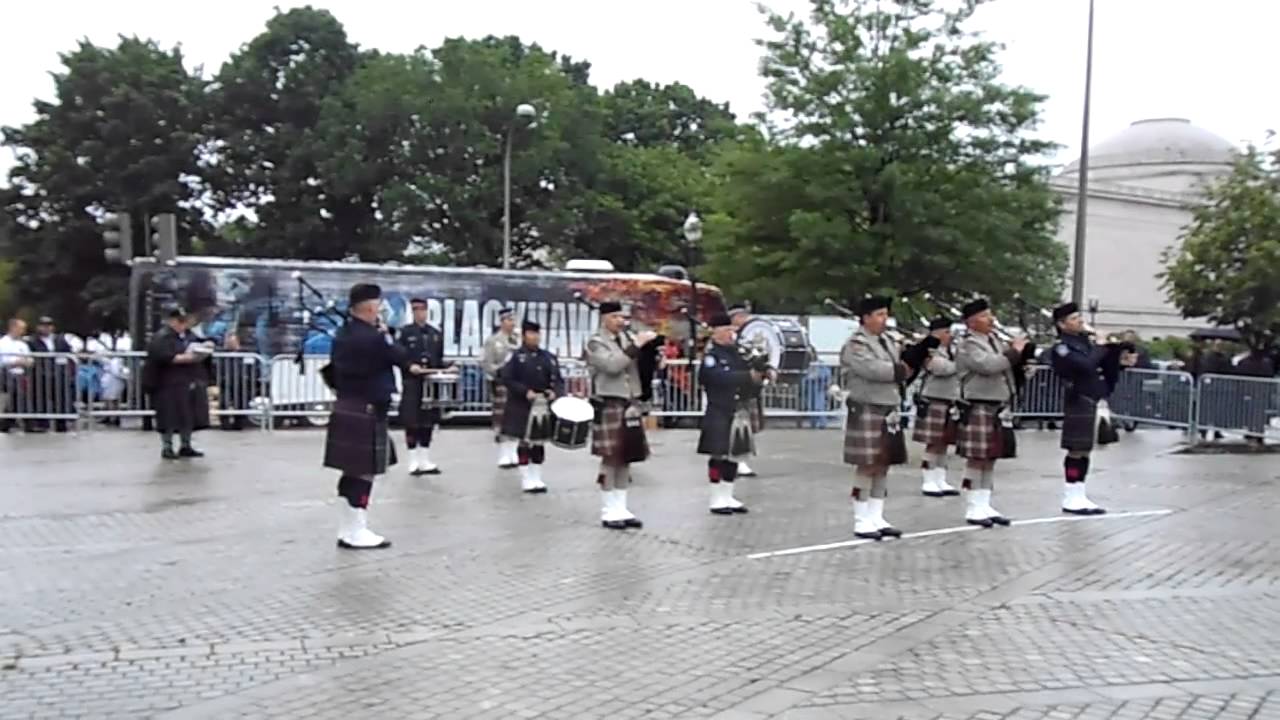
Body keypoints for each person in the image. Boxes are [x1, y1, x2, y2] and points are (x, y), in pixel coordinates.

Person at [323, 283, 427, 550]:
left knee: (351, 472)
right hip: (368, 408)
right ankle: (357, 530)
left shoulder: (343, 334)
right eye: (379, 306)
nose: (381, 311)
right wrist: (386, 336)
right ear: (370, 308)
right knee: (364, 473)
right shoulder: (373, 337)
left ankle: (348, 529)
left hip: (348, 403)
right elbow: (399, 356)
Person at [1050, 302, 1137, 515]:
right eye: (1073, 318)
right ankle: (1071, 494)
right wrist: (1099, 345)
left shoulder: (1085, 343)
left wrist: (1118, 353)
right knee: (1076, 449)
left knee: (1086, 450)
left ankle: (1080, 492)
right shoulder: (1062, 347)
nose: (1080, 320)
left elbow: (1101, 364)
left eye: (1079, 316)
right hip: (1078, 398)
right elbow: (1086, 366)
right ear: (1062, 324)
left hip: (1093, 398)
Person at [954, 299, 1033, 527]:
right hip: (978, 403)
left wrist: (1022, 365)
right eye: (985, 315)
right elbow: (989, 366)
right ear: (971, 321)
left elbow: (1005, 366)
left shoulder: (994, 340)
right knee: (976, 459)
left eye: (990, 314)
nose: (991, 319)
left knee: (990, 458)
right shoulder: (969, 344)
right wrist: (1014, 352)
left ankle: (984, 503)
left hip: (997, 404)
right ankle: (972, 506)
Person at [841, 296, 909, 539]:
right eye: (879, 314)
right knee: (867, 464)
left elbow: (901, 365)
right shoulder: (857, 344)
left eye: (885, 314)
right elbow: (873, 370)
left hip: (888, 406)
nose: (884, 319)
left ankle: (877, 516)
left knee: (883, 463)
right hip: (867, 405)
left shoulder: (888, 340)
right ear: (866, 317)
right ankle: (861, 519)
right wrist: (901, 370)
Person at [586, 301, 655, 530]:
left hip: (628, 403)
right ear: (605, 318)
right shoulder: (596, 342)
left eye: (622, 317)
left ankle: (621, 507)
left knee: (627, 457)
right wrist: (636, 345)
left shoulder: (625, 339)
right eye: (616, 317)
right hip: (609, 402)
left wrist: (653, 355)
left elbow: (637, 366)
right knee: (610, 458)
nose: (621, 321)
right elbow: (613, 366)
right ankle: (608, 510)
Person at [697, 312, 767, 515]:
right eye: (726, 330)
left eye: (732, 330)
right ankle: (716, 497)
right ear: (715, 332)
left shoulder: (738, 354)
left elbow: (750, 379)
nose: (731, 334)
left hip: (738, 409)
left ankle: (728, 494)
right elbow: (717, 377)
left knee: (734, 455)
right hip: (719, 409)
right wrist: (747, 376)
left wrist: (761, 374)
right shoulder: (712, 356)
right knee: (718, 455)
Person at [498, 320, 564, 494]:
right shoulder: (515, 356)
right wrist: (524, 391)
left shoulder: (548, 357)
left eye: (537, 334)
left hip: (543, 406)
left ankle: (537, 477)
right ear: (524, 336)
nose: (535, 337)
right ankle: (526, 477)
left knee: (539, 443)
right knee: (525, 442)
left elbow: (558, 380)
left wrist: (554, 392)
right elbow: (506, 378)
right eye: (531, 334)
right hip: (522, 405)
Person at [144, 309, 214, 459]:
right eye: (181, 321)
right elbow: (164, 357)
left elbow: (199, 345)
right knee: (169, 416)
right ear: (172, 321)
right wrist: (187, 357)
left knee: (188, 414)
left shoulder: (189, 335)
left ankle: (185, 445)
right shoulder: (162, 337)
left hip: (188, 380)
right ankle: (167, 447)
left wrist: (205, 347)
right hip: (167, 383)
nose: (184, 325)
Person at [912, 318, 961, 497]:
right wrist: (962, 364)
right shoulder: (928, 349)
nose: (950, 335)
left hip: (950, 399)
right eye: (946, 332)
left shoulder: (951, 350)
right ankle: (928, 480)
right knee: (933, 444)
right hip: (933, 399)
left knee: (944, 443)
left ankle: (940, 479)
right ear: (936, 333)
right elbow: (941, 368)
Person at [398, 298, 447, 475]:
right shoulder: (405, 332)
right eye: (415, 309)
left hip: (430, 382)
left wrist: (448, 366)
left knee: (428, 422)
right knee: (412, 422)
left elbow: (439, 359)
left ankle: (425, 459)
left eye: (422, 309)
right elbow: (399, 356)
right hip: (412, 382)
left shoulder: (435, 333)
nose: (419, 312)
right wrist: (409, 366)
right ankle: (412, 460)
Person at [727, 303, 763, 476]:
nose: (745, 319)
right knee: (733, 427)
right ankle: (733, 460)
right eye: (741, 316)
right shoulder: (728, 339)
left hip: (748, 388)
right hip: (732, 388)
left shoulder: (750, 339)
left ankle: (742, 460)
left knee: (745, 427)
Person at [481, 308, 520, 468]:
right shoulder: (493, 341)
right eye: (509, 320)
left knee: (516, 419)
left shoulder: (518, 340)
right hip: (502, 383)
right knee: (502, 419)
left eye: (513, 320)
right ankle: (504, 454)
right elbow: (487, 363)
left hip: (517, 385)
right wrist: (500, 370)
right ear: (502, 322)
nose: (512, 323)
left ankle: (514, 452)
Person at [26, 316, 76, 433]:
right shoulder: (32, 341)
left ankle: (62, 424)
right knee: (41, 399)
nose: (46, 328)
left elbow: (68, 354)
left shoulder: (60, 340)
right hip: (40, 375)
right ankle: (42, 424)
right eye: (43, 326)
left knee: (61, 399)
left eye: (48, 326)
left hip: (59, 374)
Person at [1, 319, 34, 433]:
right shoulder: (3, 343)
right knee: (17, 398)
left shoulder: (22, 344)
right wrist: (17, 361)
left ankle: (6, 423)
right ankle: (26, 424)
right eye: (21, 328)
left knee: (18, 400)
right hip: (8, 374)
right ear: (13, 328)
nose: (23, 331)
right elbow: (4, 360)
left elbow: (29, 358)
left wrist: (25, 361)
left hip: (22, 374)